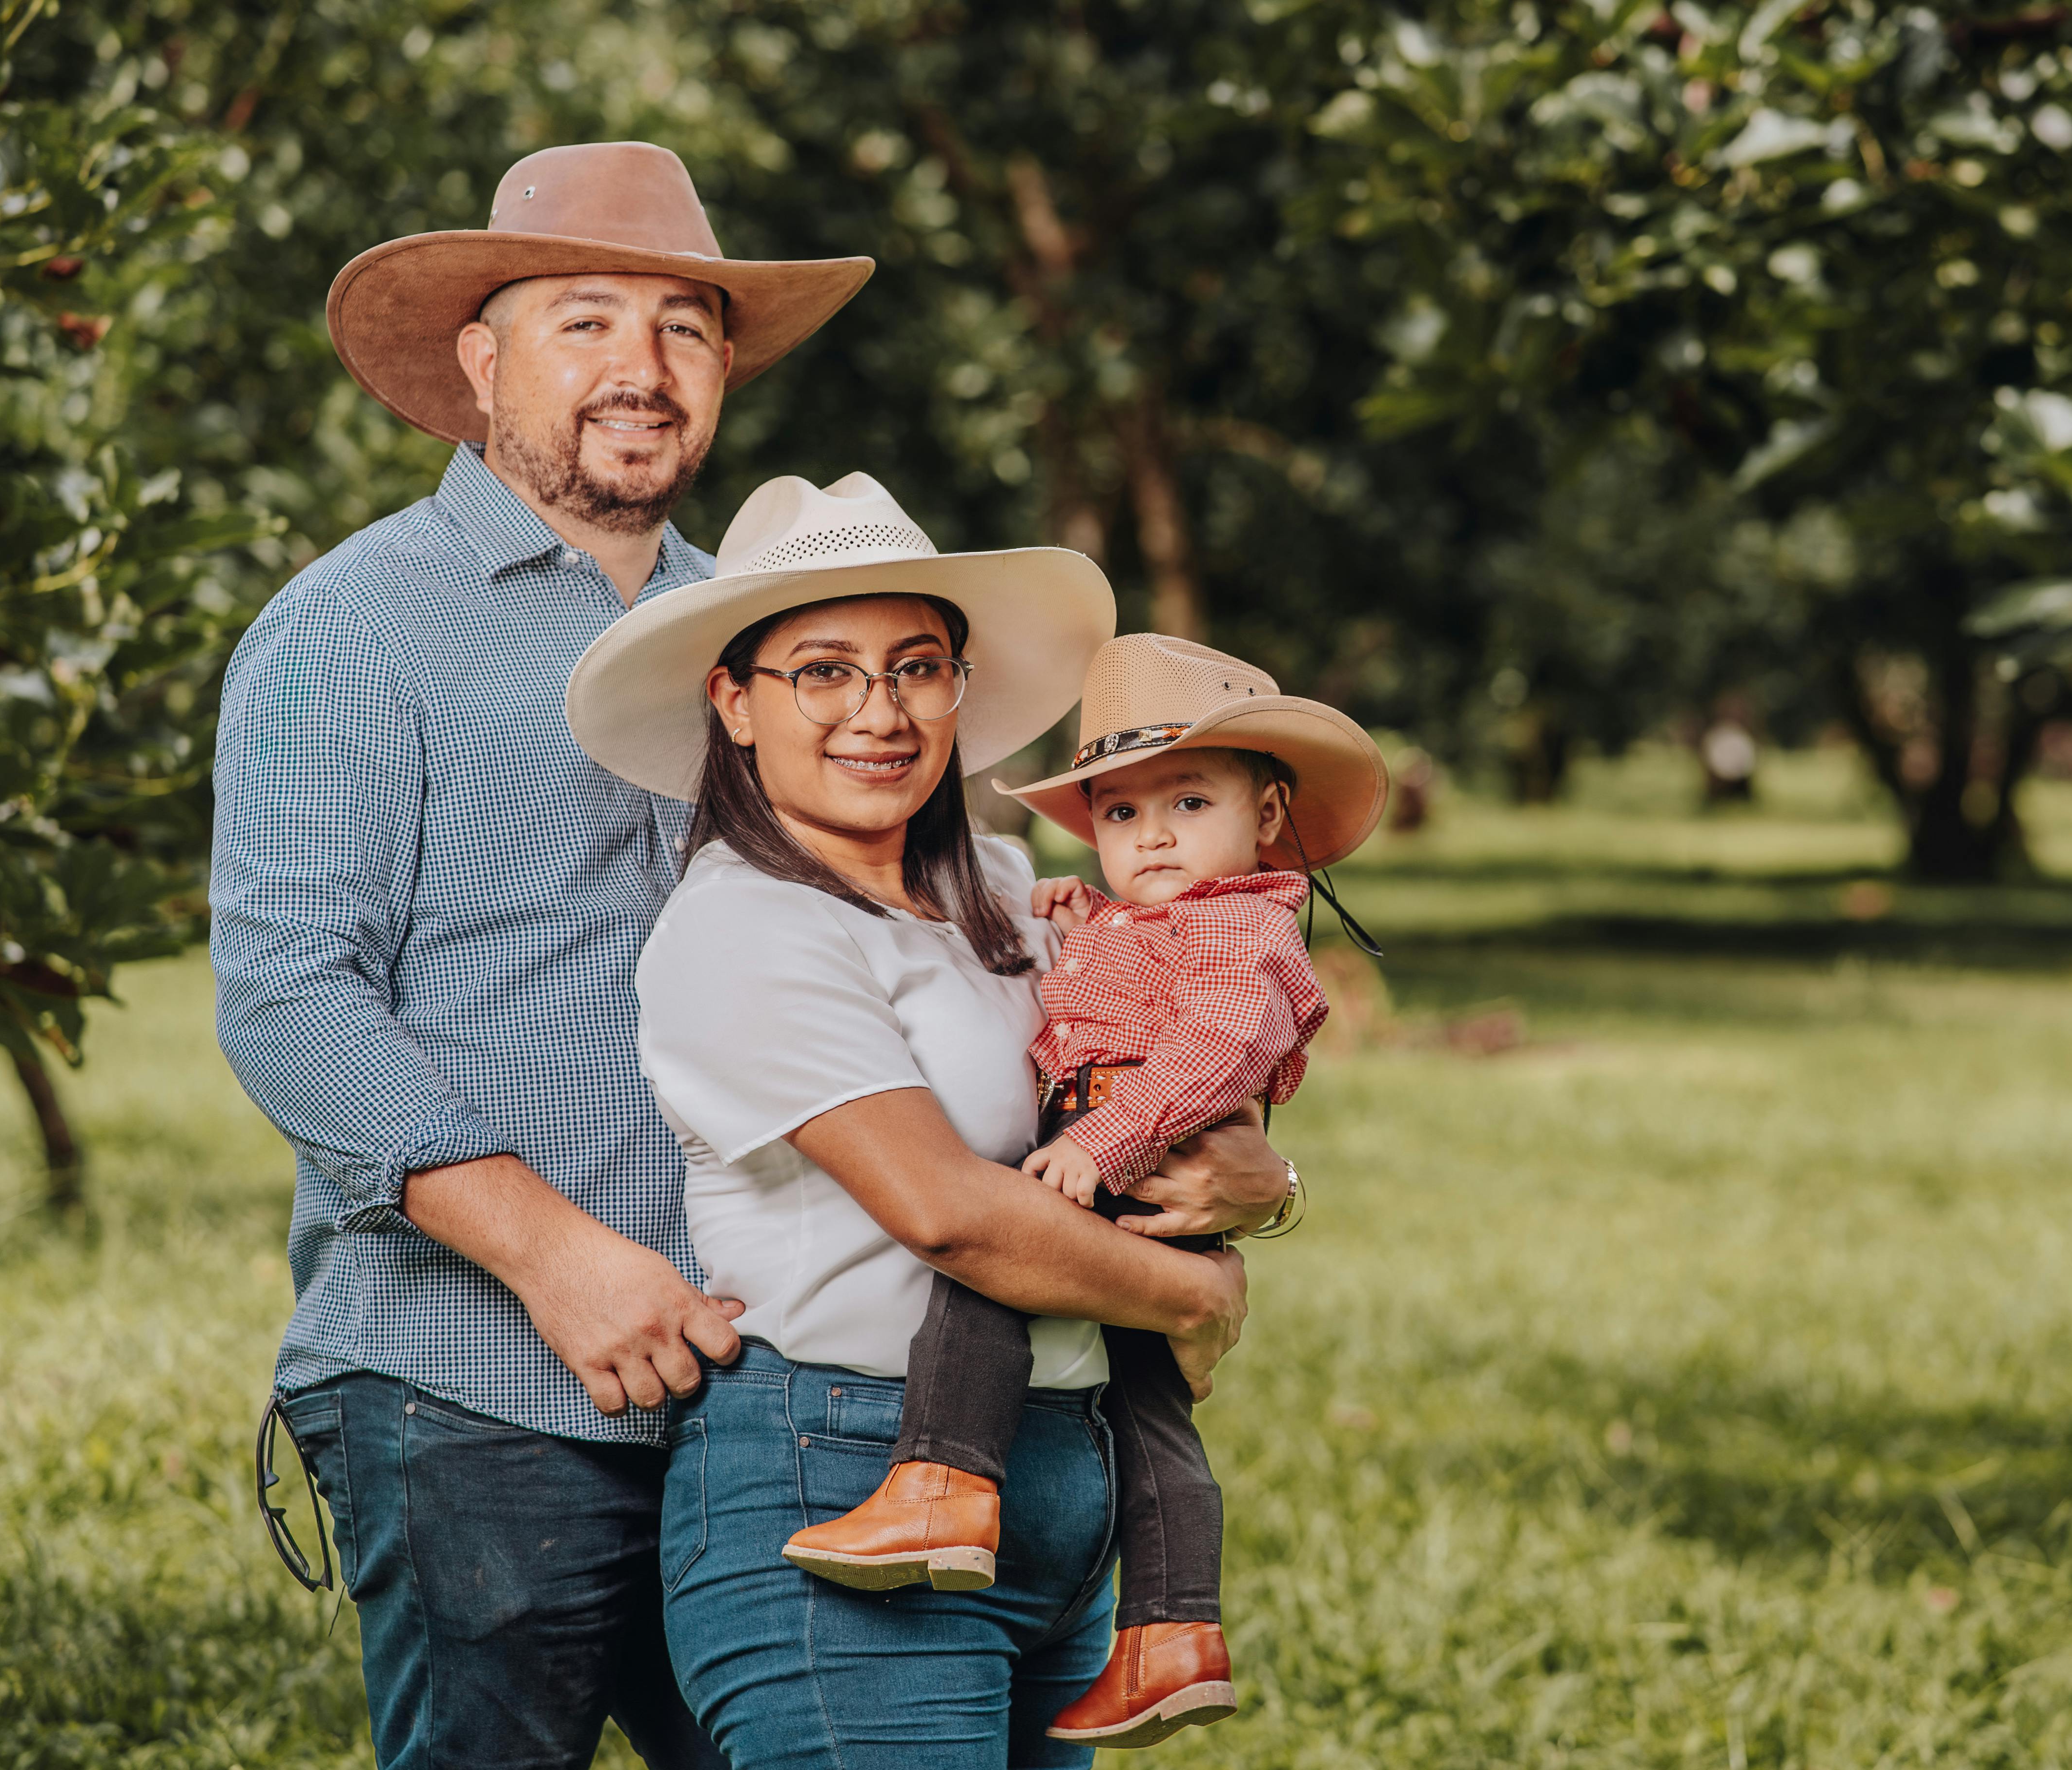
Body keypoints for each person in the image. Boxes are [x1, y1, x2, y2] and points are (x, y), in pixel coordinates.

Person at [208, 141, 878, 1770]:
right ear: (478, 364)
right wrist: (559, 1255)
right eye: (585, 322)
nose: (641, 370)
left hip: (761, 1397)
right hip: (470, 1387)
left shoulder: (773, 636)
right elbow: (291, 994)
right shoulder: (352, 624)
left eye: (686, 329)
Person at [562, 471, 1295, 1769]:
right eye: (825, 673)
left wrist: (1266, 1180)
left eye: (916, 666)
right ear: (734, 700)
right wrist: (1194, 1296)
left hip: (1066, 1474)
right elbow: (950, 1213)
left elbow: (1172, 1072)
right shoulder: (748, 926)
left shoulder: (1011, 892)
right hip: (848, 1457)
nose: (880, 713)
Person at [781, 633, 1386, 1750]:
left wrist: (1102, 1143)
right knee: (1145, 1404)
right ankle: (1171, 1637)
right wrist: (1080, 914)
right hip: (1128, 1144)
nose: (1149, 835)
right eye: (1117, 814)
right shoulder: (1153, 916)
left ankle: (945, 1482)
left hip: (1127, 1141)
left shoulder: (1242, 925)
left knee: (990, 1271)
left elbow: (1209, 1049)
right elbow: (1110, 987)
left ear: (1265, 817)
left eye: (1188, 800)